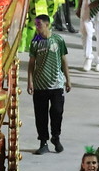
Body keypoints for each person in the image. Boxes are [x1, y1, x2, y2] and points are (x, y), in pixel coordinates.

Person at [28, 11, 69, 153]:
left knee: (57, 111)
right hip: (40, 85)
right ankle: (43, 142)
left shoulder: (58, 40)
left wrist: (68, 80)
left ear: (47, 24)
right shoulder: (35, 42)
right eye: (36, 24)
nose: (37, 27)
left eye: (39, 24)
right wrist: (30, 82)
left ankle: (56, 137)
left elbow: (64, 60)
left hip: (57, 84)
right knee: (41, 114)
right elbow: (31, 63)